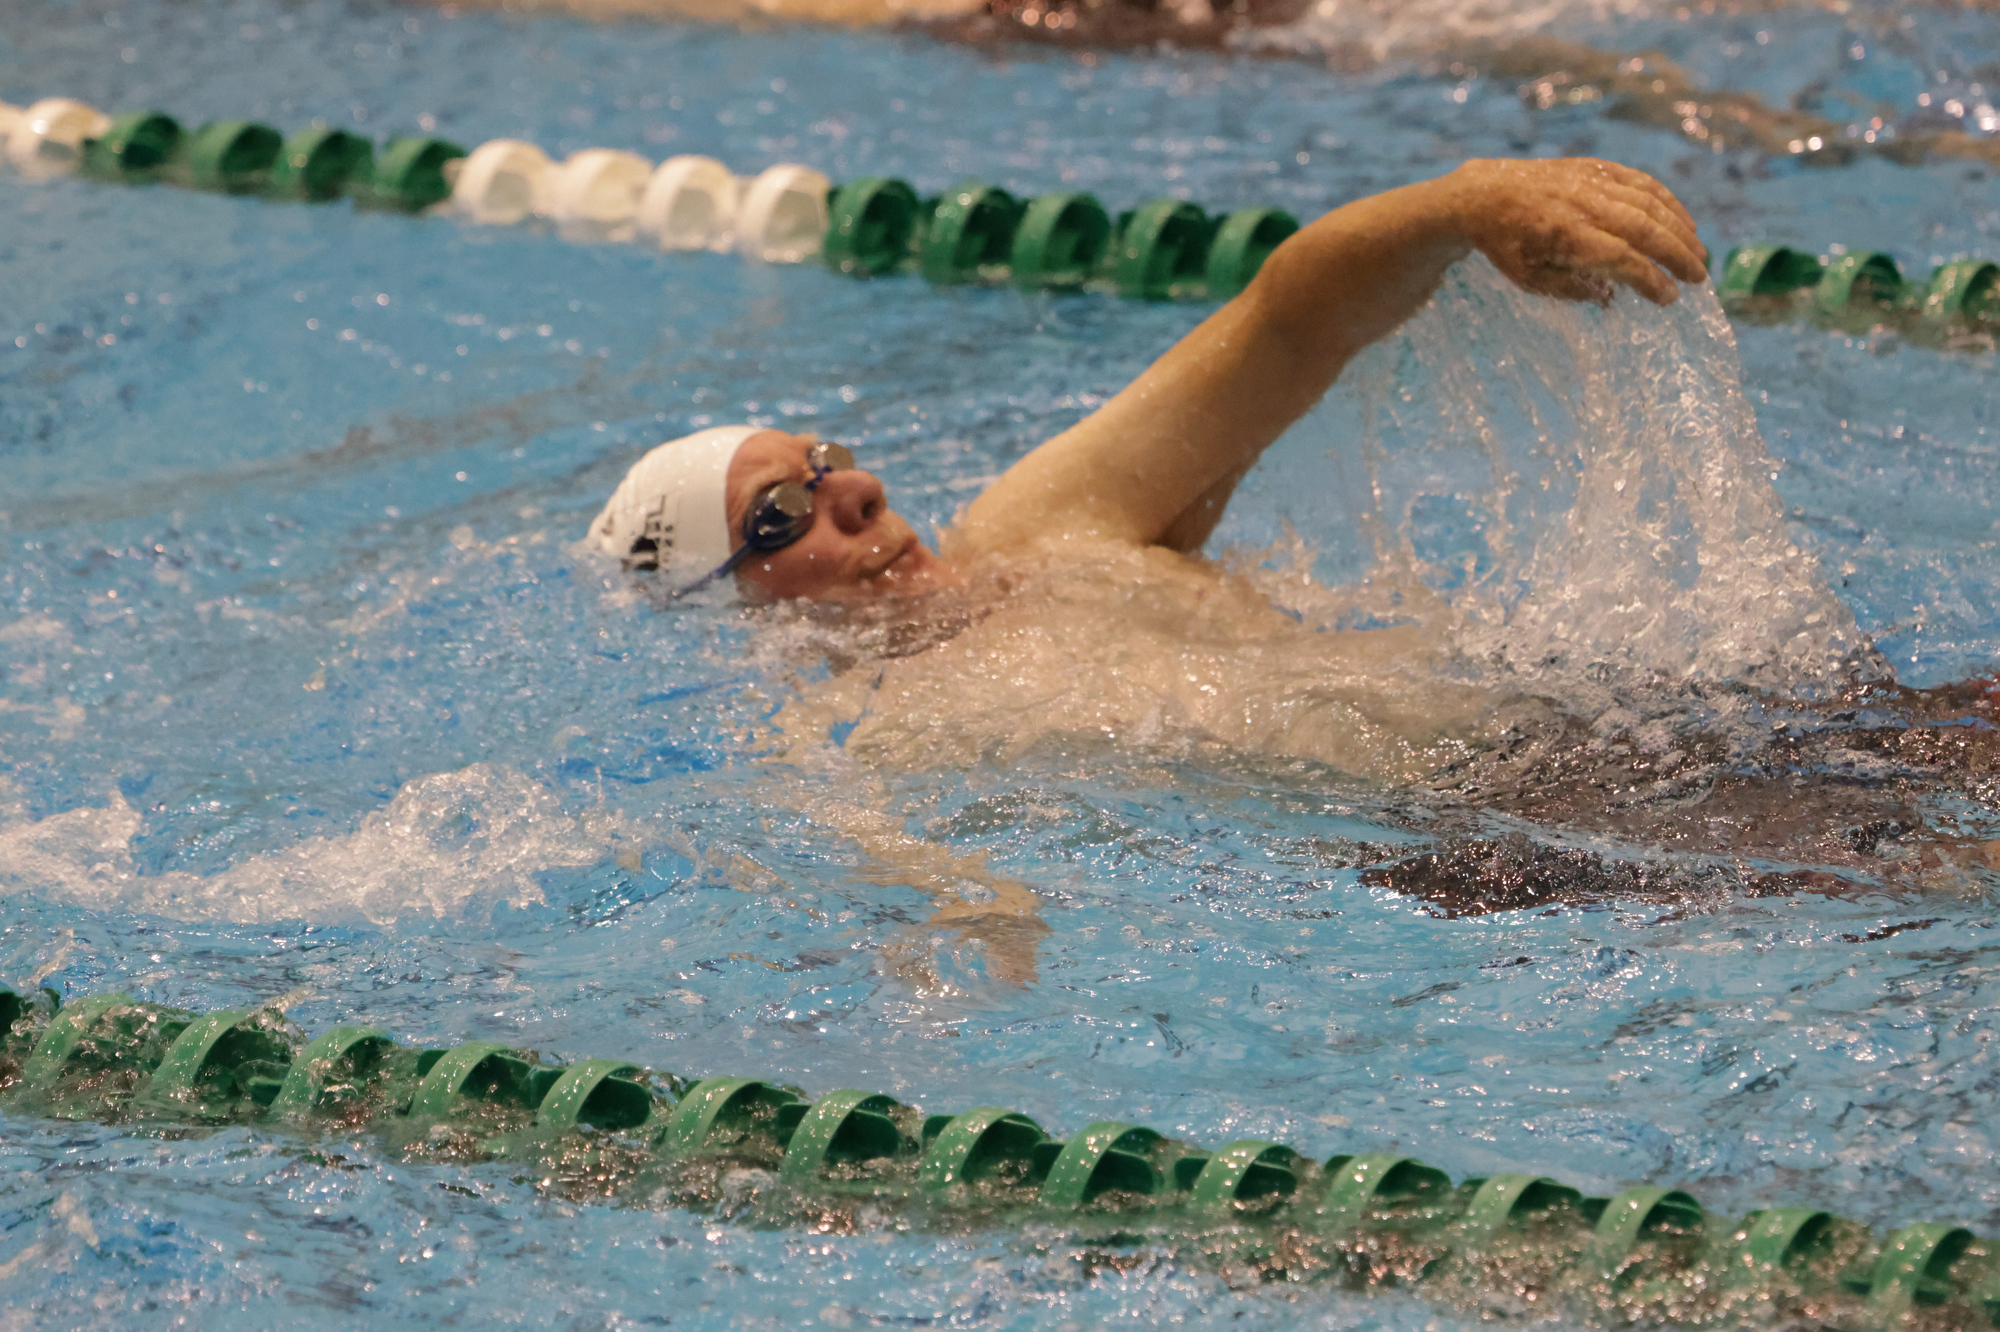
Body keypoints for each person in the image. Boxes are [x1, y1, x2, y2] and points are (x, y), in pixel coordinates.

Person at [590, 157, 1706, 607]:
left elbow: (1282, 324)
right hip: (1476, 859)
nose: (862, 491)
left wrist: (1464, 205)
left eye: (825, 460)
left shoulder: (1037, 529)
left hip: (1574, 759)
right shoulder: (852, 768)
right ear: (726, 609)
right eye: (783, 515)